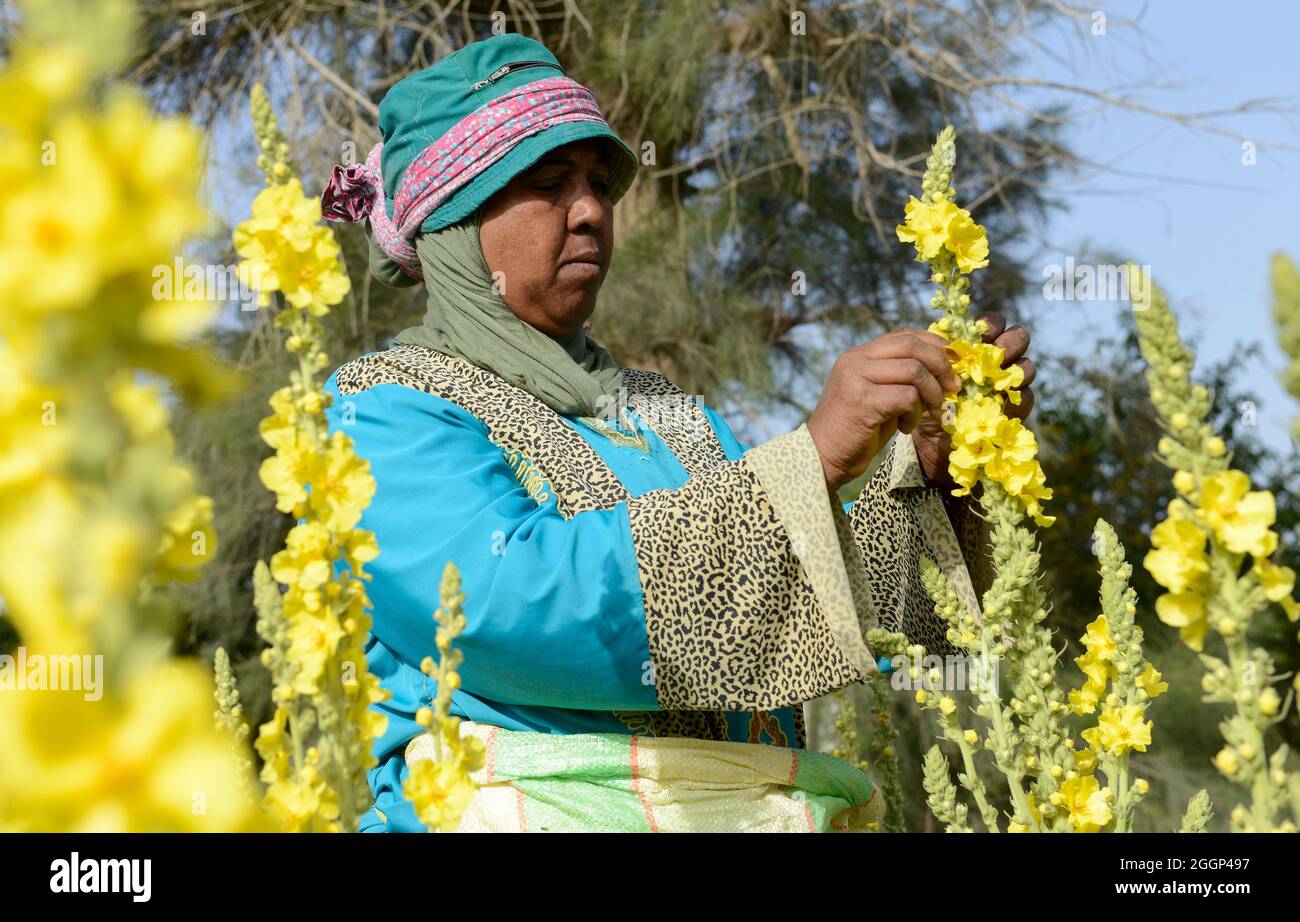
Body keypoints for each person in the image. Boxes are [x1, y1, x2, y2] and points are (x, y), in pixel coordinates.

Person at [319, 33, 1034, 832]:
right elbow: (500, 607)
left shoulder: (670, 416)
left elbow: (818, 608)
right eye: (550, 184)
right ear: (452, 228)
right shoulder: (386, 406)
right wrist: (814, 456)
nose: (590, 211)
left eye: (598, 185)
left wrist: (939, 476)